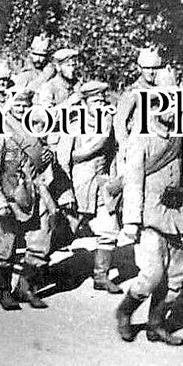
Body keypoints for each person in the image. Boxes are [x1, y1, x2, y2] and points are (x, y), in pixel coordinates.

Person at [115, 71, 183, 347]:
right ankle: (125, 312)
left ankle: (156, 325)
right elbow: (133, 183)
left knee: (175, 278)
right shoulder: (141, 138)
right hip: (150, 217)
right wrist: (131, 222)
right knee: (152, 275)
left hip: (177, 217)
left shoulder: (180, 137)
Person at [0, 88, 55, 311]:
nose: (21, 109)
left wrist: (49, 157)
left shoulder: (37, 129)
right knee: (6, 246)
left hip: (35, 194)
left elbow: (43, 164)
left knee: (40, 243)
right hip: (9, 196)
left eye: (25, 105)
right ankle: (4, 291)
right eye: (17, 105)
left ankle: (25, 287)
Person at [64, 81, 123, 293]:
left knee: (109, 229)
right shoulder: (74, 124)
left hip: (101, 184)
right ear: (85, 102)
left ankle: (101, 277)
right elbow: (63, 158)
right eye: (94, 101)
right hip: (78, 186)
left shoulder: (108, 123)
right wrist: (65, 192)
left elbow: (113, 150)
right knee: (62, 233)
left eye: (102, 101)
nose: (99, 105)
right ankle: (29, 279)